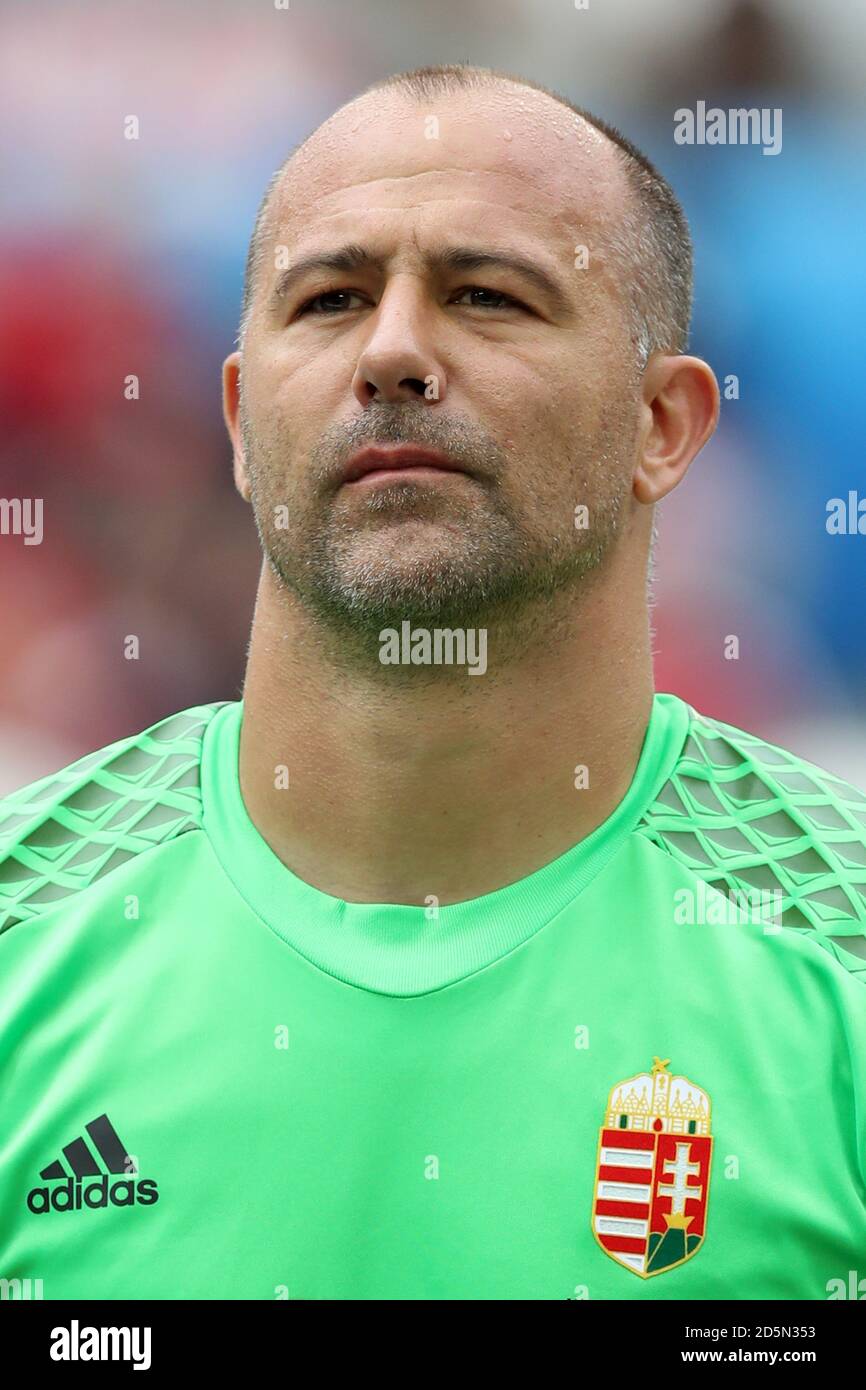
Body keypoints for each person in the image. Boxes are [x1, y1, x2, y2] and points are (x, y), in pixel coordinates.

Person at [1, 64, 864, 1301]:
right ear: (239, 427)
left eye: (486, 294)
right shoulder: (24, 934)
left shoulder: (838, 950)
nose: (394, 349)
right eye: (331, 298)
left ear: (660, 425)